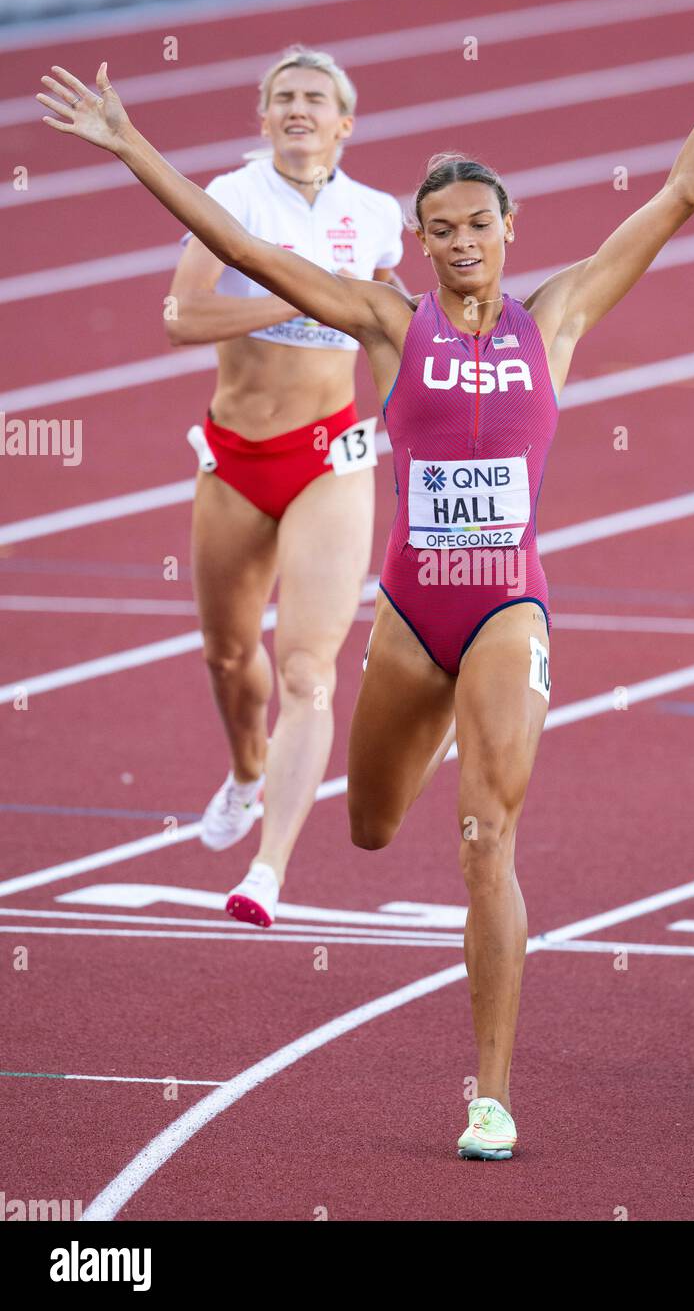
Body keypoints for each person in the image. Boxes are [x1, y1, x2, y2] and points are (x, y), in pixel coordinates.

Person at [37, 0, 694, 1158]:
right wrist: (129, 144)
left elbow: (681, 193)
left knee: (484, 841)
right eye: (442, 230)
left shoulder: (555, 318)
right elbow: (238, 242)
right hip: (411, 616)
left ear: (510, 232)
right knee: (368, 825)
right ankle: (438, 730)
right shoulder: (386, 321)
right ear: (420, 243)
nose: (462, 244)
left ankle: (490, 1096)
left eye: (479, 226)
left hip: (507, 607)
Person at [164, 47, 407, 927]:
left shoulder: (375, 215)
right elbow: (182, 316)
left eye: (315, 97)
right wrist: (296, 295)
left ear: (345, 123)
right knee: (230, 657)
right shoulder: (232, 199)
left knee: (308, 672)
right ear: (263, 119)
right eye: (283, 97)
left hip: (330, 458)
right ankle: (245, 773)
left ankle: (266, 872)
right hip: (235, 460)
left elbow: (386, 314)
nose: (298, 108)